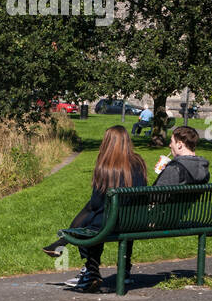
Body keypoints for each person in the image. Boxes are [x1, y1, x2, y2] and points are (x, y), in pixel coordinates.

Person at [42, 125, 147, 292]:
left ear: (106, 143)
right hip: (134, 220)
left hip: (109, 223)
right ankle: (124, 271)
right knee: (95, 218)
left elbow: (96, 204)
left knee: (89, 225)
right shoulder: (138, 162)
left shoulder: (106, 168)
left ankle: (91, 270)